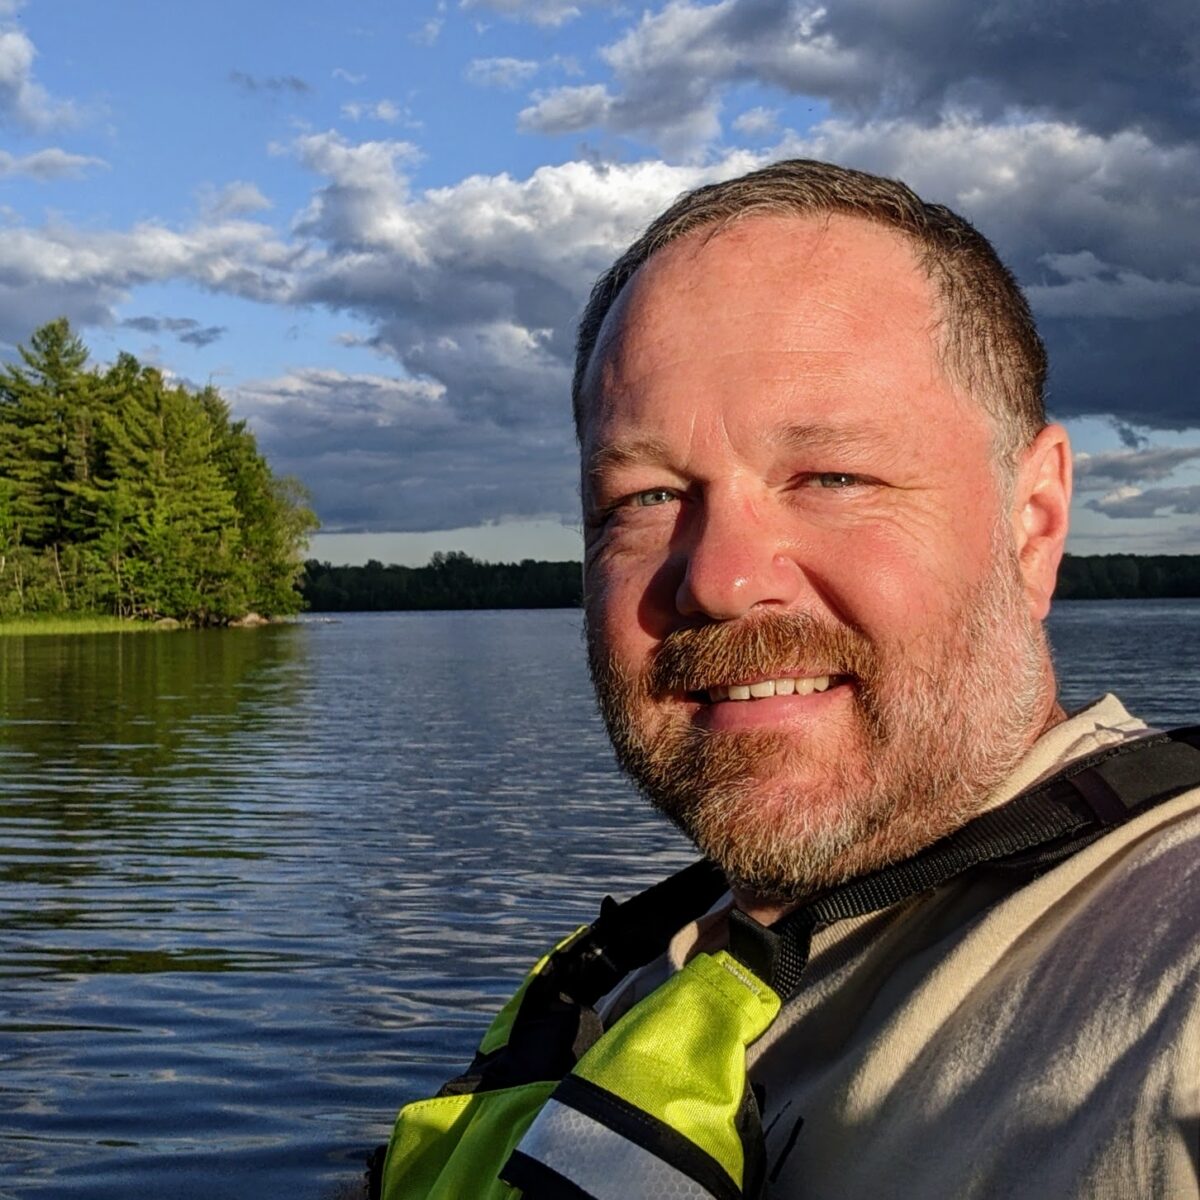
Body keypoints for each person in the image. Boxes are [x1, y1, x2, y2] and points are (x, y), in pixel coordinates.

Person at [373, 160, 1200, 1199]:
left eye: (832, 476)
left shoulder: (1170, 973)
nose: (717, 579)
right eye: (646, 498)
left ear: (1033, 523)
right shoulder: (638, 982)